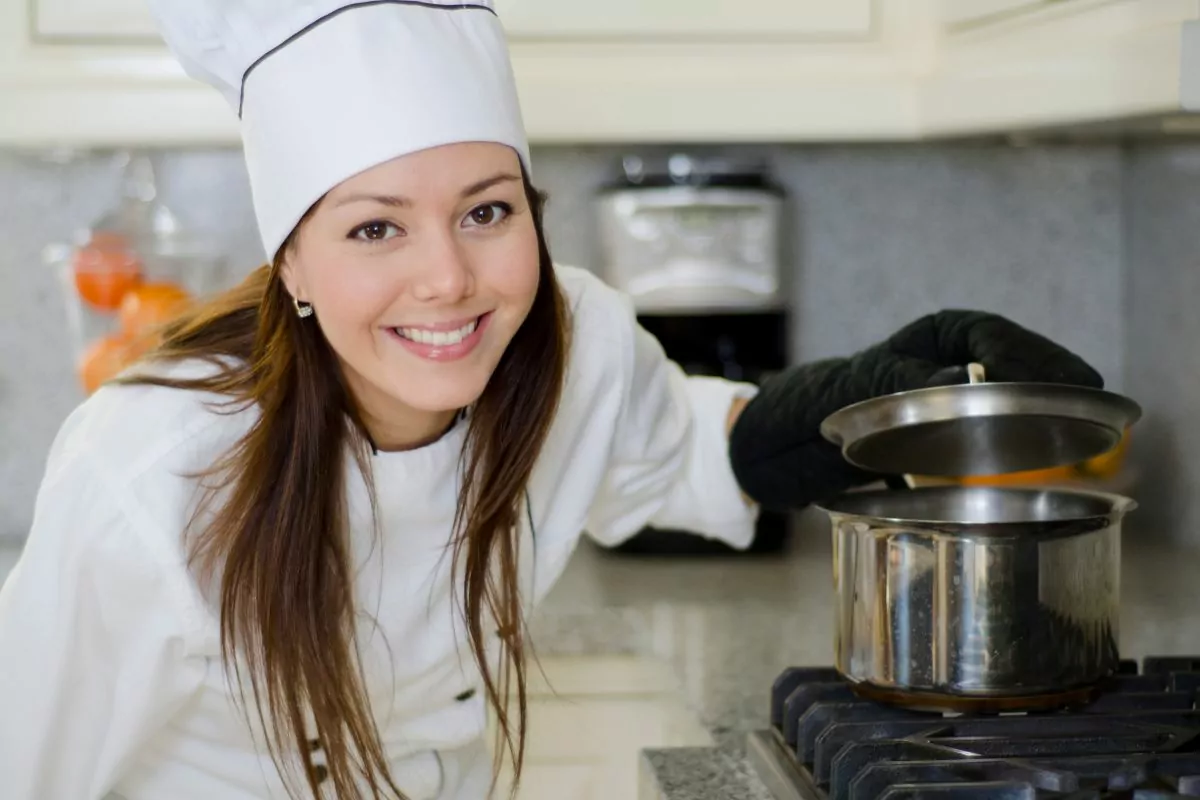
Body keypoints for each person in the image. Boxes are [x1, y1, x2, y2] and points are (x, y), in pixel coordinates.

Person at [0, 1, 1104, 799]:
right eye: (376, 226)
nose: (449, 278)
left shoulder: (564, 344)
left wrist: (879, 399)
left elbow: (694, 446)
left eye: (486, 211)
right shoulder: (151, 474)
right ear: (291, 260)